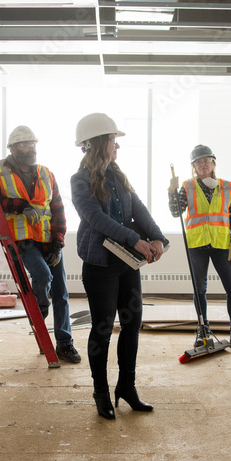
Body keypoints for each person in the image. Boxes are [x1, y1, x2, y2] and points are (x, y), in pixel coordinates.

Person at [71, 113, 166, 420]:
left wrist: (157, 238)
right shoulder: (80, 180)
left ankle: (127, 387)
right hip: (101, 265)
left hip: (127, 263)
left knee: (132, 324)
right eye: (114, 140)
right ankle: (101, 392)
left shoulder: (118, 175)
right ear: (100, 142)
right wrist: (134, 238)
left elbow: (138, 208)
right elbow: (96, 218)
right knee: (102, 330)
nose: (117, 146)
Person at [0, 125, 81, 364]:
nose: (32, 148)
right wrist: (21, 207)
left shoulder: (46, 173)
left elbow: (58, 209)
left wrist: (58, 243)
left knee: (61, 294)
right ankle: (39, 312)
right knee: (42, 276)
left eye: (34, 144)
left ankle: (65, 344)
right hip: (22, 242)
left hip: (48, 241)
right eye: (26, 144)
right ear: (13, 148)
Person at [169, 145, 231, 353]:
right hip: (197, 245)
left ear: (213, 163)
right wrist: (171, 190)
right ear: (194, 167)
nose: (203, 165)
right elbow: (175, 212)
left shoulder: (227, 187)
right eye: (198, 162)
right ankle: (203, 331)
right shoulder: (187, 187)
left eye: (206, 160)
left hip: (221, 244)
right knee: (199, 290)